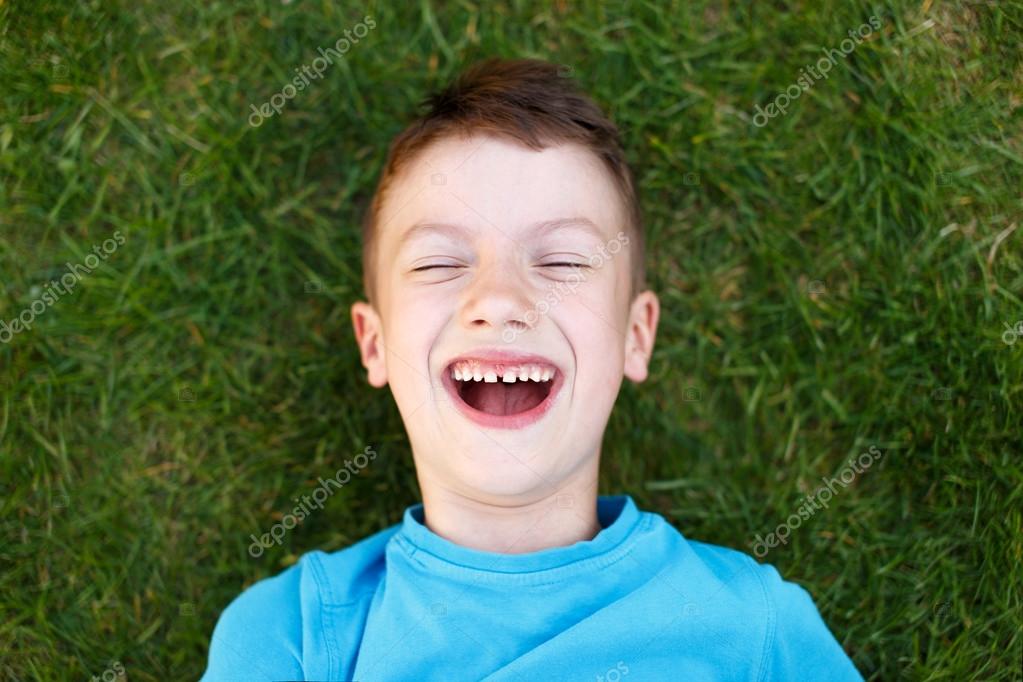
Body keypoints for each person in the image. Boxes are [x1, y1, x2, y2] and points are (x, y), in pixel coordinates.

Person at [201, 57, 863, 680]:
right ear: (374, 344)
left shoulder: (752, 623)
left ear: (635, 336)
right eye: (439, 263)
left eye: (563, 262)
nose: (497, 300)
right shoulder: (292, 635)